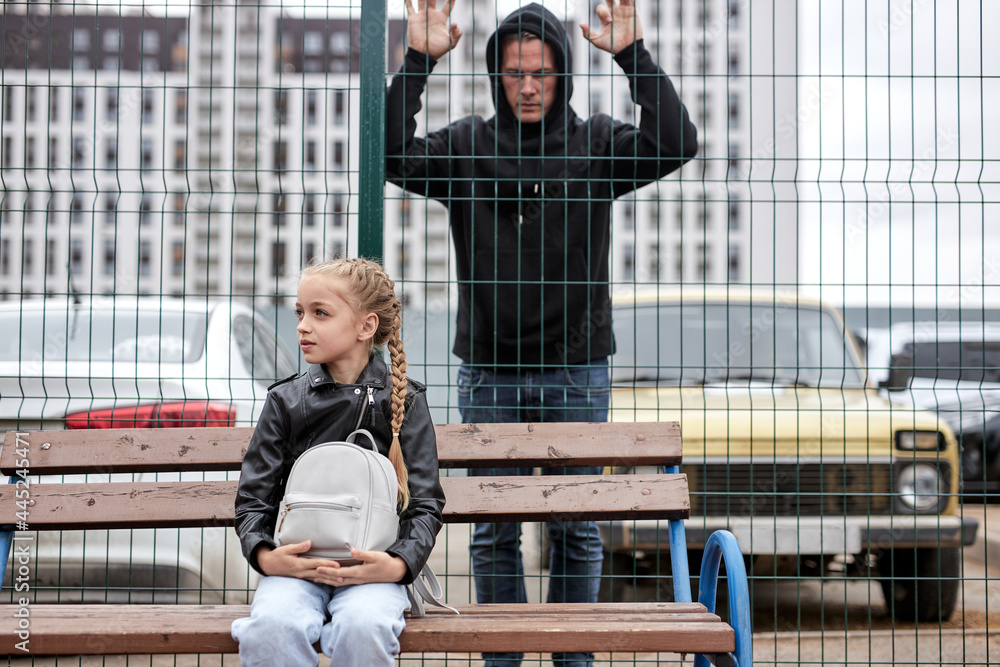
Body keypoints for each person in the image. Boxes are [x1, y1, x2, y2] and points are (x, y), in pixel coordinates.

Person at [386, 1, 696, 665]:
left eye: (541, 74)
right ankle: (505, 656)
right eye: (513, 73)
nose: (527, 86)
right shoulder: (466, 146)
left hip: (577, 369)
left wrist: (630, 52)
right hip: (489, 371)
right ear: (497, 76)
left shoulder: (599, 146)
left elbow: (677, 141)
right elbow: (390, 155)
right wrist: (419, 60)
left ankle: (571, 657)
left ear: (563, 75)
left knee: (575, 526)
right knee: (494, 528)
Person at [231, 258, 446, 667]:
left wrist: (398, 564)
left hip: (373, 572)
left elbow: (425, 506)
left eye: (320, 313)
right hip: (296, 570)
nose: (302, 325)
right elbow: (253, 500)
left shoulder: (405, 401)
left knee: (364, 627)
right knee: (272, 628)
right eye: (300, 312)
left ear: (366, 327)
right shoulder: (284, 401)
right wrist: (264, 556)